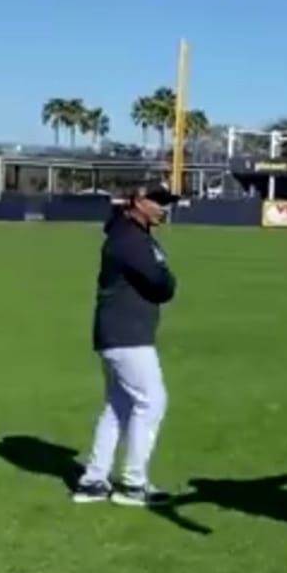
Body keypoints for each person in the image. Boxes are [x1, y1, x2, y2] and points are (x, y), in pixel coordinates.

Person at [71, 184, 180, 507]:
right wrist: (166, 278)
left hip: (118, 332)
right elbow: (161, 283)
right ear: (136, 202)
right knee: (152, 401)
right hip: (127, 334)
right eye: (157, 201)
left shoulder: (130, 235)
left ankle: (93, 480)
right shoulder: (130, 240)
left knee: (118, 406)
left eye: (166, 202)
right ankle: (133, 484)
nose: (163, 208)